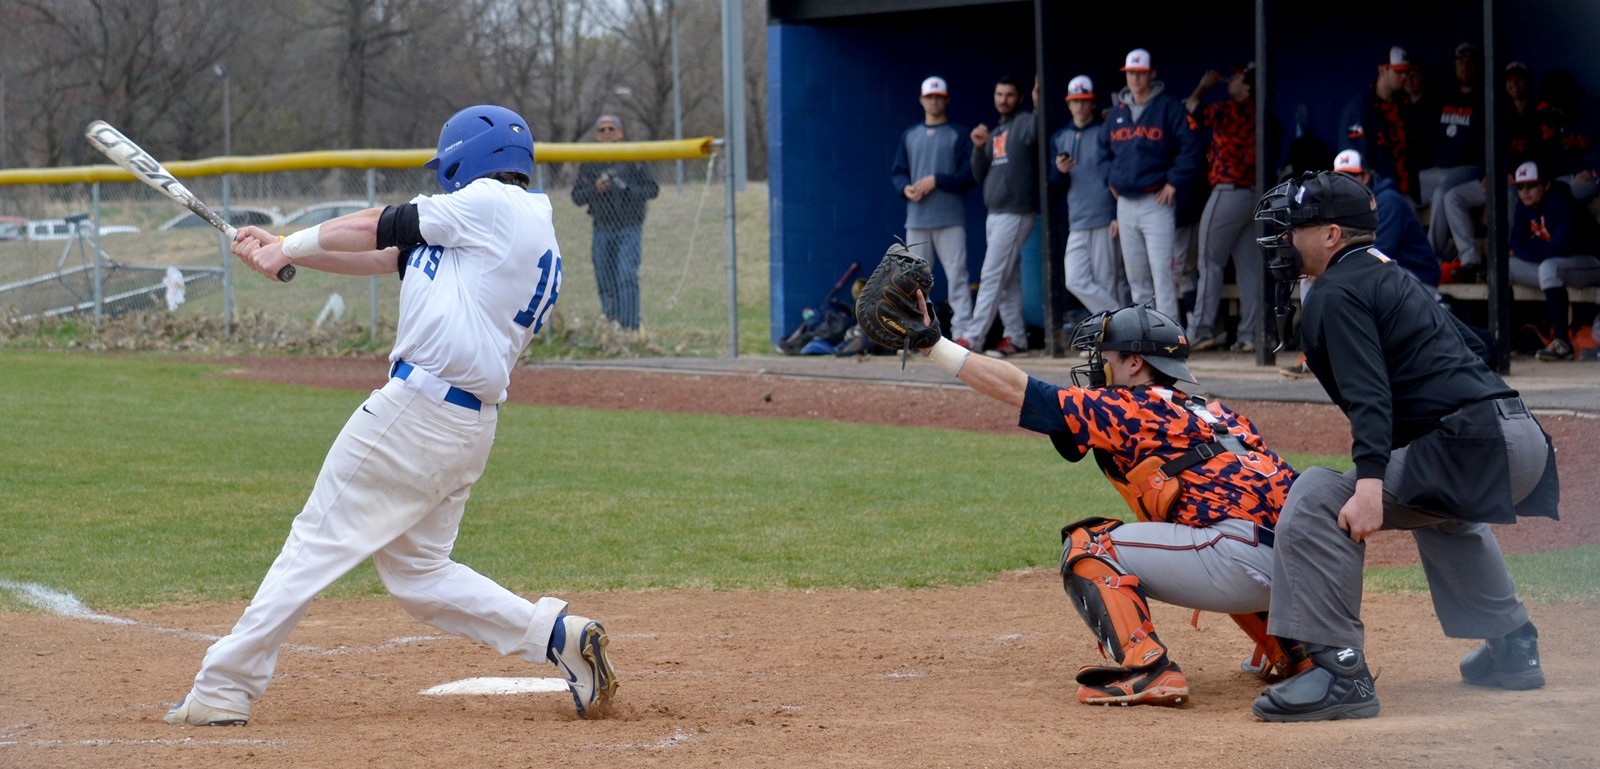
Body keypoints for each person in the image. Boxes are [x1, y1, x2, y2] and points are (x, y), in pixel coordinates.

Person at [167, 105, 617, 726]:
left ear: (468, 161)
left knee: (314, 541)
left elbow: (379, 222)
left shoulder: (492, 207)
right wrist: (276, 251)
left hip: (419, 411)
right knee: (420, 575)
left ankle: (223, 688)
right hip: (463, 424)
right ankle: (557, 637)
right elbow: (382, 252)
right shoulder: (501, 230)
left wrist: (286, 244)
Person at [1250, 170, 1560, 722]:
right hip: (1518, 434)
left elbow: (1371, 398)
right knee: (1440, 504)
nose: (1285, 238)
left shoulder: (1335, 292)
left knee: (1319, 494)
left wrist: (1368, 481)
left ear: (1331, 236)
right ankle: (1514, 646)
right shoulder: (1386, 272)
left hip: (1475, 444)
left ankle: (1338, 672)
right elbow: (1471, 346)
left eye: (1296, 226)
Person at [909, 302, 1300, 707]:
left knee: (1090, 544)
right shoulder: (1217, 413)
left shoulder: (1128, 407)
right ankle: (1296, 649)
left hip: (1240, 563)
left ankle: (1148, 668)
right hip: (1304, 573)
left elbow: (1017, 388)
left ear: (1134, 363)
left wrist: (934, 345)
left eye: (1105, 358)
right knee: (1216, 525)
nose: (1098, 368)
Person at [1099, 48, 1204, 322]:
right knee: (1136, 276)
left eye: (1140, 73)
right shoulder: (1116, 113)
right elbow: (1102, 151)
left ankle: (1169, 338)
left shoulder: (1168, 107)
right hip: (1126, 202)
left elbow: (1191, 148)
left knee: (1163, 273)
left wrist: (1173, 182)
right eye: (1131, 73)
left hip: (1157, 200)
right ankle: (1146, 339)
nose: (1135, 78)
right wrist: (1110, 178)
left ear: (1151, 74)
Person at [1439, 62, 1551, 283]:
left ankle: (1506, 253)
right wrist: (1486, 174)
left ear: (1527, 82)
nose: (1514, 84)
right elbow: (1485, 149)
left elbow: (1545, 154)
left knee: (1511, 196)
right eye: (1510, 79)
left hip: (1523, 183)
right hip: (1496, 178)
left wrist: (1513, 175)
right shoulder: (1500, 113)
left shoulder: (1540, 112)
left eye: (1519, 78)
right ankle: (1470, 258)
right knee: (1452, 196)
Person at [1184, 63, 1267, 353]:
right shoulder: (1263, 111)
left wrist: (1204, 87)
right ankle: (1250, 334)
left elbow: (1191, 108)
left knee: (1209, 262)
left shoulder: (1228, 109)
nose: (1231, 80)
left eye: (1237, 78)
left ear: (1247, 87)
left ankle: (1201, 330)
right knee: (1249, 268)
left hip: (1228, 192)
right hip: (1255, 195)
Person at [892, 76, 978, 346]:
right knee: (913, 279)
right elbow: (898, 172)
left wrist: (936, 180)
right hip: (917, 217)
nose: (934, 101)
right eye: (930, 96)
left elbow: (969, 175)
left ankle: (963, 332)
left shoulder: (958, 134)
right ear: (922, 100)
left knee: (957, 275)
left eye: (939, 97)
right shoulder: (910, 135)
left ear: (946, 100)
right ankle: (916, 331)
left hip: (950, 218)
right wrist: (905, 188)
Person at [970, 75, 1041, 356]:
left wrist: (1039, 106)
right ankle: (1015, 337)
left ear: (1020, 98)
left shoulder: (1023, 122)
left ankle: (973, 337)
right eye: (999, 94)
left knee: (991, 274)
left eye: (1009, 95)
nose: (1003, 100)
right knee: (1007, 279)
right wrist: (978, 147)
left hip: (1016, 211)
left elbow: (1039, 129)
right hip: (995, 213)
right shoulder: (997, 131)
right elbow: (979, 174)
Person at [572, 114, 660, 331]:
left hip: (629, 227)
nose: (607, 133)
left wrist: (625, 188)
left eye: (612, 128)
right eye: (602, 129)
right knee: (604, 278)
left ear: (621, 133)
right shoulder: (590, 161)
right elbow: (576, 197)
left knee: (626, 276)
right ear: (597, 135)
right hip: (601, 228)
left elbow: (652, 190)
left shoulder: (634, 158)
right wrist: (596, 189)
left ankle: (630, 327)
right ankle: (612, 325)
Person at [1507, 161, 1600, 361]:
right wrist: (1523, 251)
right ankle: (1506, 340)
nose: (1525, 192)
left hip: (1589, 262)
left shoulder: (1560, 202)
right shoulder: (1523, 207)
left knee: (1549, 268)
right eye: (1520, 187)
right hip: (1558, 265)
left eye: (1531, 185)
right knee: (1503, 267)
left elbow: (1559, 248)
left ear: (1546, 185)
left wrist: (1523, 251)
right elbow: (1516, 241)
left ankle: (1562, 342)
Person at [1050, 75, 1126, 317]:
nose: (1080, 106)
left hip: (1104, 218)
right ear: (1068, 103)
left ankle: (1111, 340)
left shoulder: (1105, 132)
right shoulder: (1060, 137)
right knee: (1075, 279)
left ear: (1092, 103)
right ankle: (1119, 321)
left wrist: (1117, 213)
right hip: (1077, 220)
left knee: (1107, 282)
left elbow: (1117, 175)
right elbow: (1054, 184)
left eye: (1084, 101)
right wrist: (1060, 171)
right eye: (1075, 101)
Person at [1333, 149, 1439, 288]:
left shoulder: (1387, 202)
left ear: (1365, 176)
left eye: (1351, 177)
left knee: (1359, 280)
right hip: (1388, 272)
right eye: (1340, 178)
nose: (1345, 184)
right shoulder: (1348, 207)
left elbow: (1380, 252)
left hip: (1417, 277)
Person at [1422, 43, 1487, 261]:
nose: (1464, 66)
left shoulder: (1484, 99)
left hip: (1467, 168)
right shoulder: (1443, 97)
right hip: (1439, 168)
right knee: (1400, 192)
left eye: (1469, 62)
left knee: (1442, 193)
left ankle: (1431, 255)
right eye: (1460, 62)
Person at [1338, 46, 1416, 203]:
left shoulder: (1404, 105)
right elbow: (1355, 156)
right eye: (1398, 72)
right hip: (1374, 193)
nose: (1404, 77)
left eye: (1407, 72)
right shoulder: (1361, 107)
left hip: (1404, 188)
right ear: (1383, 70)